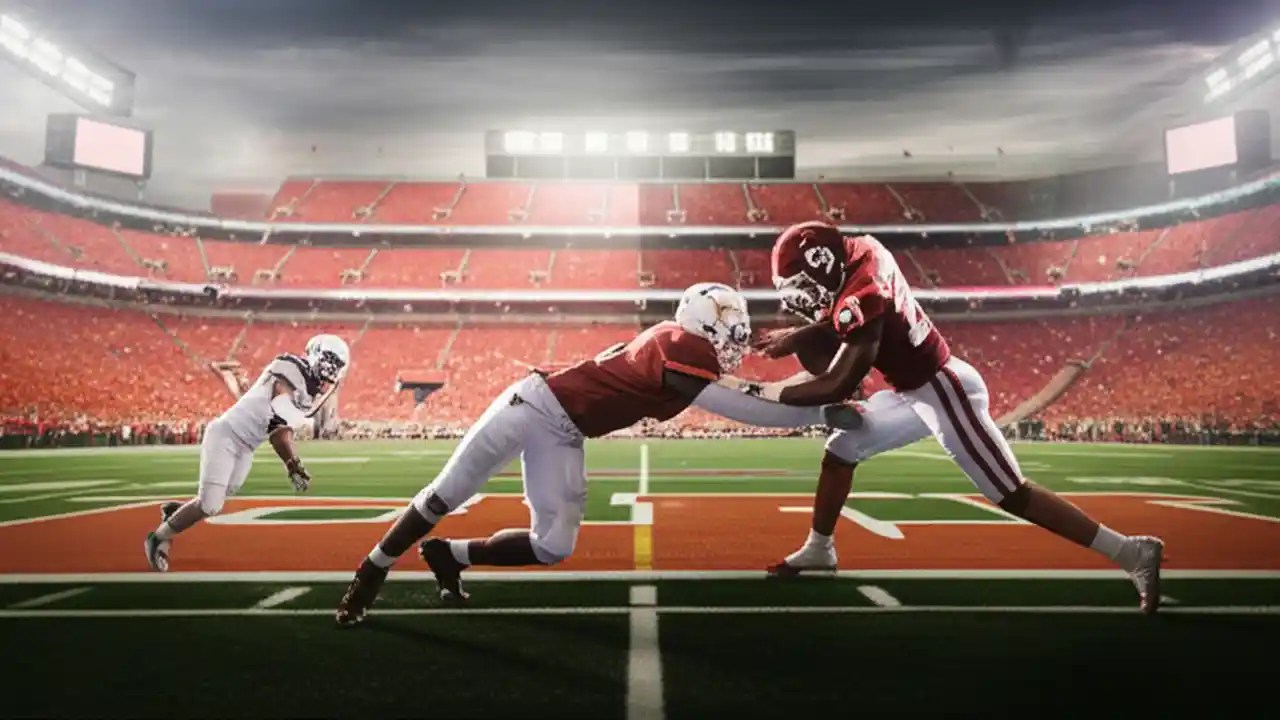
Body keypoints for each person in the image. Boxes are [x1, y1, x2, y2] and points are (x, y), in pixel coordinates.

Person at [334, 282, 859, 626]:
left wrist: (814, 388)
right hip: (532, 404)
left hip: (564, 430)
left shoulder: (685, 346)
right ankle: (371, 569)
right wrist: (819, 408)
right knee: (447, 492)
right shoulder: (679, 347)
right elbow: (742, 405)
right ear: (699, 326)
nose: (732, 340)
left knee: (553, 544)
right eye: (724, 330)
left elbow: (744, 392)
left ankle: (451, 555)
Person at [734, 221, 1165, 613]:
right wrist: (800, 335)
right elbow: (842, 315)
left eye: (803, 285)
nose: (801, 299)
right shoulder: (861, 249)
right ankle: (820, 547)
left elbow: (838, 384)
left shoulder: (861, 290)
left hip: (943, 390)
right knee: (842, 449)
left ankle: (1131, 551)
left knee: (1009, 493)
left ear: (823, 264)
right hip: (912, 389)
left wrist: (766, 392)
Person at [143, 334, 350, 572]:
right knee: (210, 505)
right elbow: (278, 424)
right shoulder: (289, 367)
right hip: (226, 434)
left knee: (220, 496)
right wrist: (292, 463)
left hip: (246, 446)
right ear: (315, 353)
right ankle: (159, 537)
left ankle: (177, 513)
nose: (332, 368)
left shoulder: (310, 394)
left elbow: (286, 427)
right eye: (329, 360)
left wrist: (292, 458)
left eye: (337, 364)